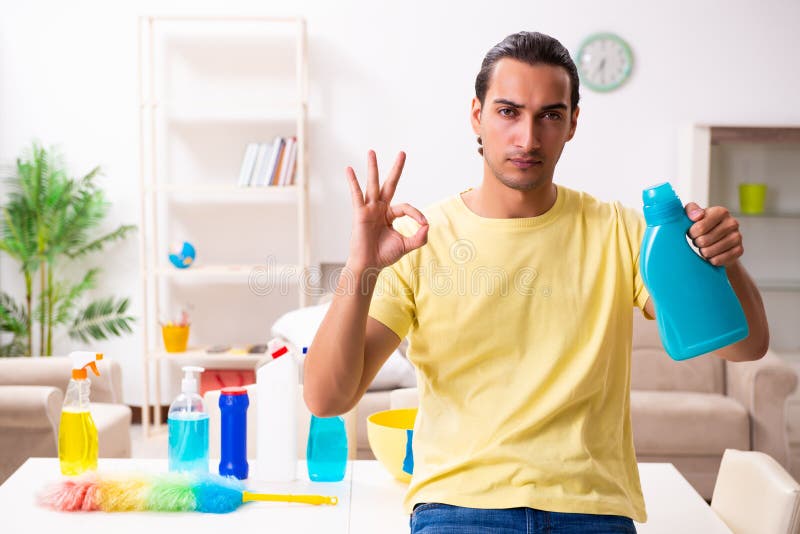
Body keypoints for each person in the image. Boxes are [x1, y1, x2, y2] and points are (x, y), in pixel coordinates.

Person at [303, 31, 769, 534]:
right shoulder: (420, 243)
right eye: (508, 112)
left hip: (593, 512)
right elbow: (327, 399)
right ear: (476, 114)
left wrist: (723, 262)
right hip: (459, 510)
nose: (528, 138)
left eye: (549, 114)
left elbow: (747, 347)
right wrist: (361, 269)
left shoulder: (621, 231)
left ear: (572, 124)